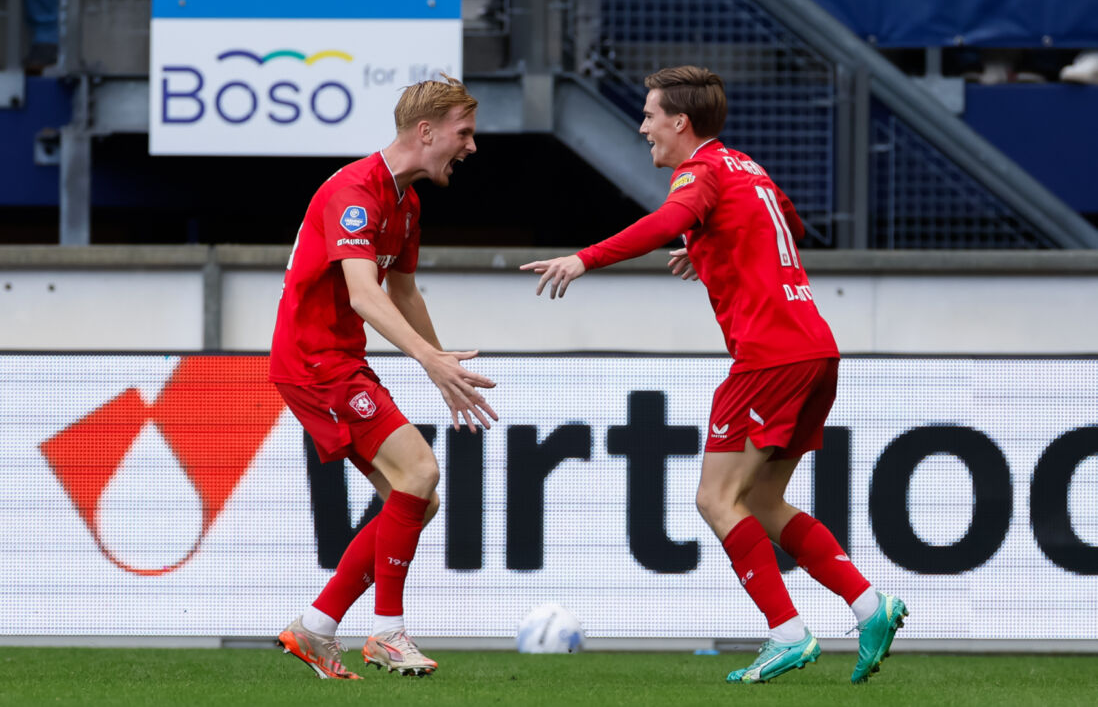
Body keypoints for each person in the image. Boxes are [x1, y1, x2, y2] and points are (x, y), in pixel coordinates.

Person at [520, 65, 907, 685]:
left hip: (769, 356)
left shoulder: (697, 172)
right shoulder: (746, 167)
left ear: (680, 122)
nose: (643, 126)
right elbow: (788, 226)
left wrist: (584, 257)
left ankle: (787, 634)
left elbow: (665, 221)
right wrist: (711, 243)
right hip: (815, 347)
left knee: (713, 498)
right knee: (759, 500)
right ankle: (869, 605)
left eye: (649, 115)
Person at [270, 75, 497, 679]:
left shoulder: (406, 201)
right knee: (419, 471)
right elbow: (365, 294)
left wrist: (443, 364)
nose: (471, 146)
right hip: (316, 361)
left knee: (416, 501)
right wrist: (425, 357)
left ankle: (315, 627)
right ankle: (387, 632)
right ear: (426, 132)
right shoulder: (355, 191)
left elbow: (403, 291)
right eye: (464, 132)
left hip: (337, 359)